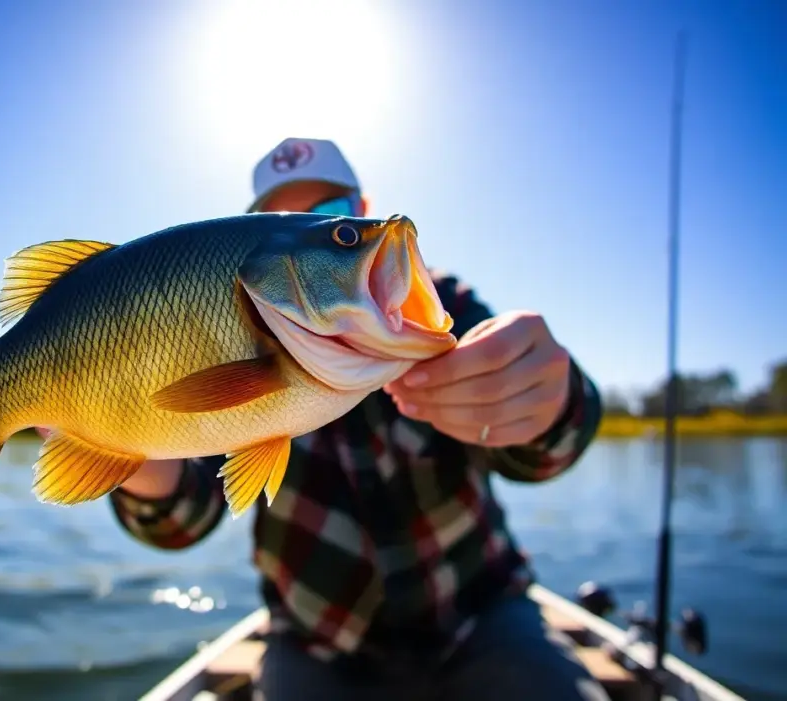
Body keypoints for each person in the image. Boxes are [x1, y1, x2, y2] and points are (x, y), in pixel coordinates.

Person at [41, 137, 606, 700]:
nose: (347, 236)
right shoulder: (223, 337)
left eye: (336, 220)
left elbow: (541, 455)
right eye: (285, 221)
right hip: (315, 643)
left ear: (363, 208)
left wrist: (549, 402)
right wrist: (119, 442)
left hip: (482, 615)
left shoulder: (443, 310)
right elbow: (185, 520)